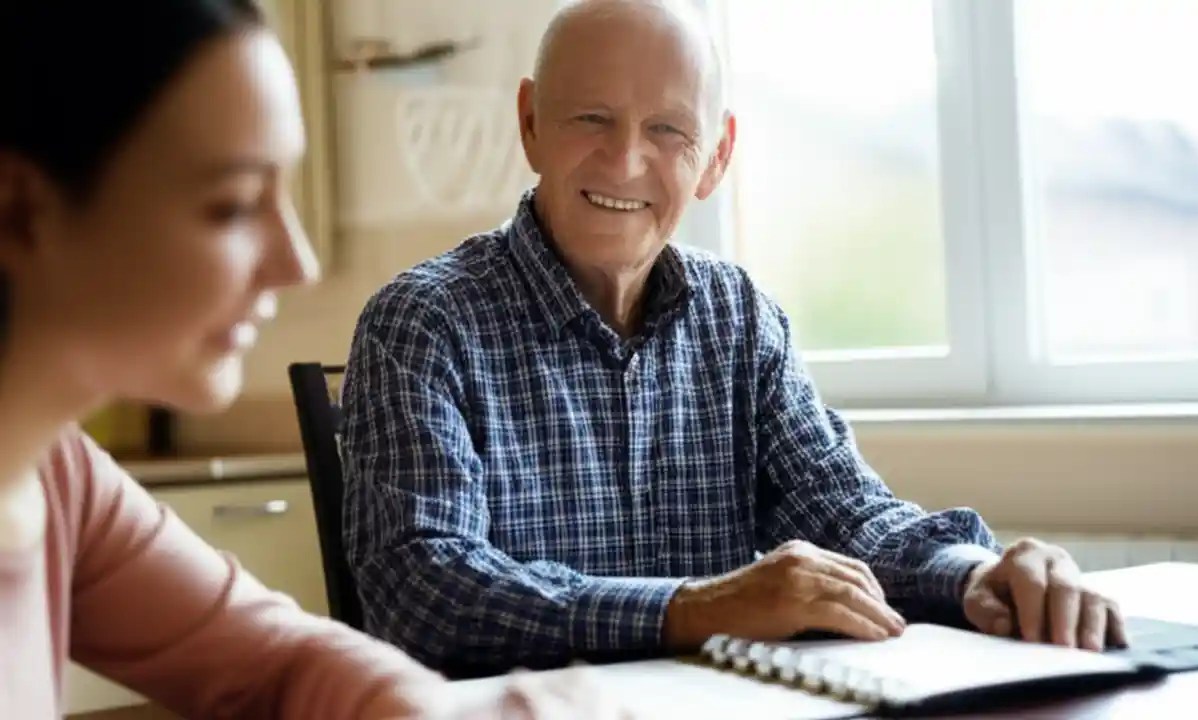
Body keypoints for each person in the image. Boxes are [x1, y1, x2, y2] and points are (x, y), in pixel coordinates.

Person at [342, 0, 1129, 679]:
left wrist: (975, 574)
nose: (624, 159)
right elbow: (423, 588)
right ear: (529, 124)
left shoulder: (740, 317)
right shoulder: (422, 323)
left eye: (667, 129)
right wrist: (699, 608)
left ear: (715, 156)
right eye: (590, 119)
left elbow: (845, 513)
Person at [0, 1, 629, 718]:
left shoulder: (56, 477)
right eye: (235, 204)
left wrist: (452, 713)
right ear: (20, 211)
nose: (295, 261)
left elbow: (281, 656)